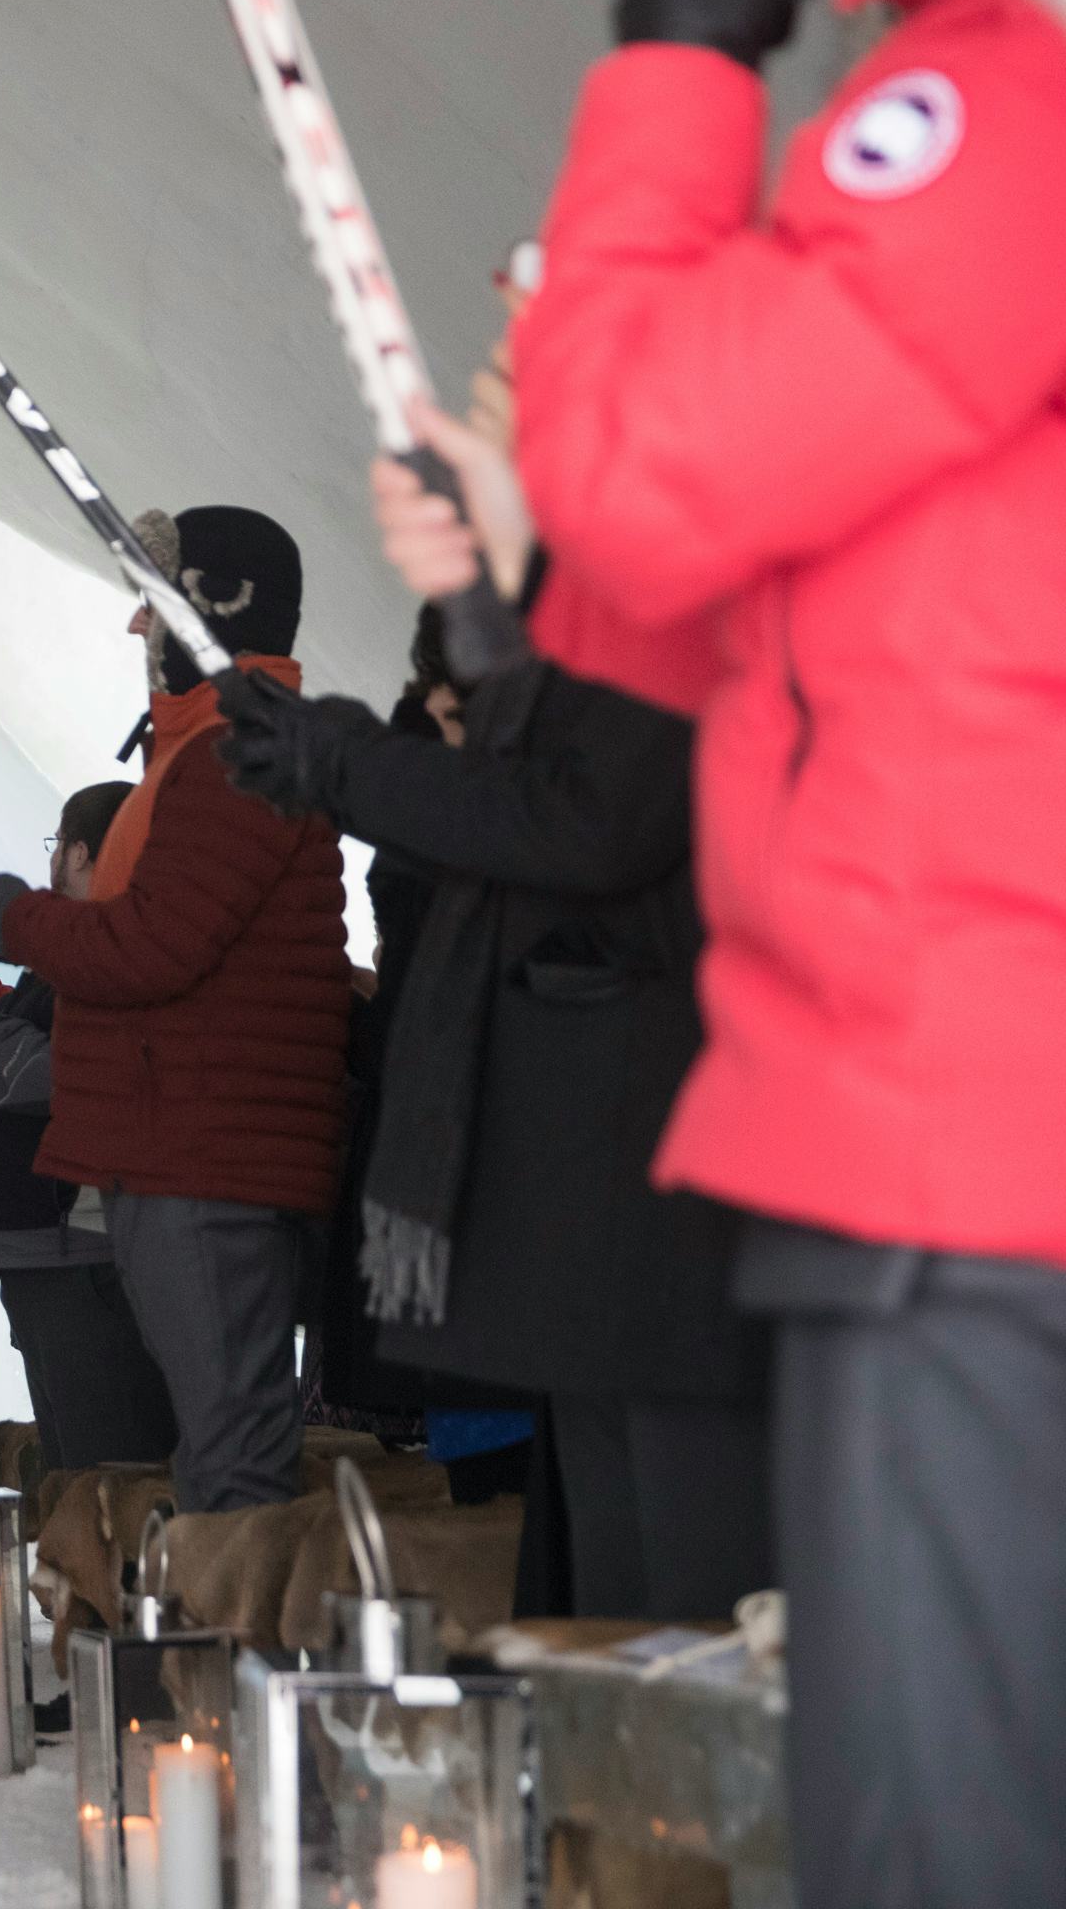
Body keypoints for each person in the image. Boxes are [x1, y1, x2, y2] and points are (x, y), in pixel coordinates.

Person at [488, 0, 1066, 1895]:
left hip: (969, 1120)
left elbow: (656, 465)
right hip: (974, 1098)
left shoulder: (1009, 87)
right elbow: (854, 566)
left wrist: (681, 63)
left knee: (938, 1830)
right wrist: (532, 564)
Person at [217, 405, 770, 1618]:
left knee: (692, 1598)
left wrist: (348, 760)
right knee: (614, 1585)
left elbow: (591, 819)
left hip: (662, 1172)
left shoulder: (668, 590)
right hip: (600, 1181)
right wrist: (350, 757)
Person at [0, 508, 349, 1515]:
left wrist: (16, 919)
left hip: (204, 1159)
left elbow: (151, 947)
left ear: (212, 608)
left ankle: (239, 1620)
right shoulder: (209, 751)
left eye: (155, 601)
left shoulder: (232, 755)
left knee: (232, 1451)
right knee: (218, 1442)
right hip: (189, 1152)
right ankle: (222, 1612)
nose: (138, 626)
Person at [0, 783, 175, 1494]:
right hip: (37, 1246)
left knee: (106, 1470)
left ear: (81, 852)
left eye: (57, 845)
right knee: (71, 1467)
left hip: (81, 1248)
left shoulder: (113, 956)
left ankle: (126, 1573)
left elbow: (53, 1076)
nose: (52, 860)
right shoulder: (61, 963)